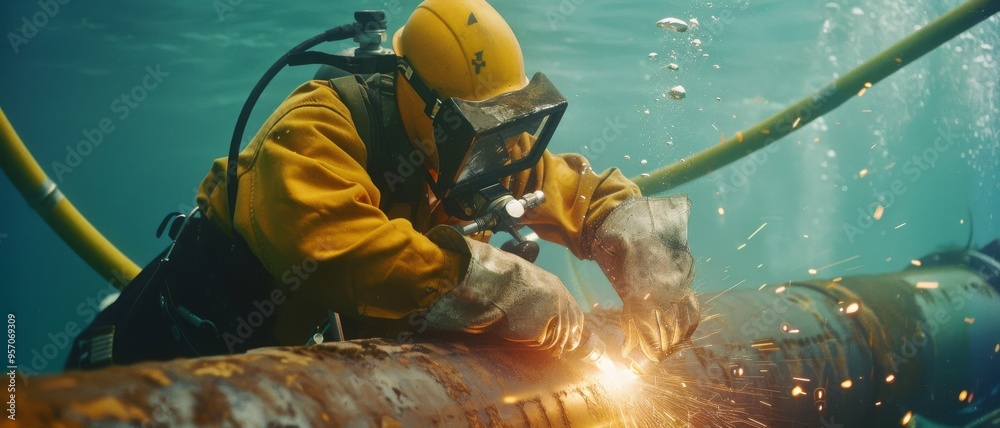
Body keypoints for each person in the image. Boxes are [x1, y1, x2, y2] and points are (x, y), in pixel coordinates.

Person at [67, 0, 699, 369]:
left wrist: (646, 253)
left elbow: (580, 191)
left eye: (509, 122)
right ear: (423, 102)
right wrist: (507, 290)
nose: (501, 148)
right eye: (479, 127)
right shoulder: (316, 129)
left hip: (327, 350)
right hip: (187, 352)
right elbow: (332, 245)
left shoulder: (485, 137)